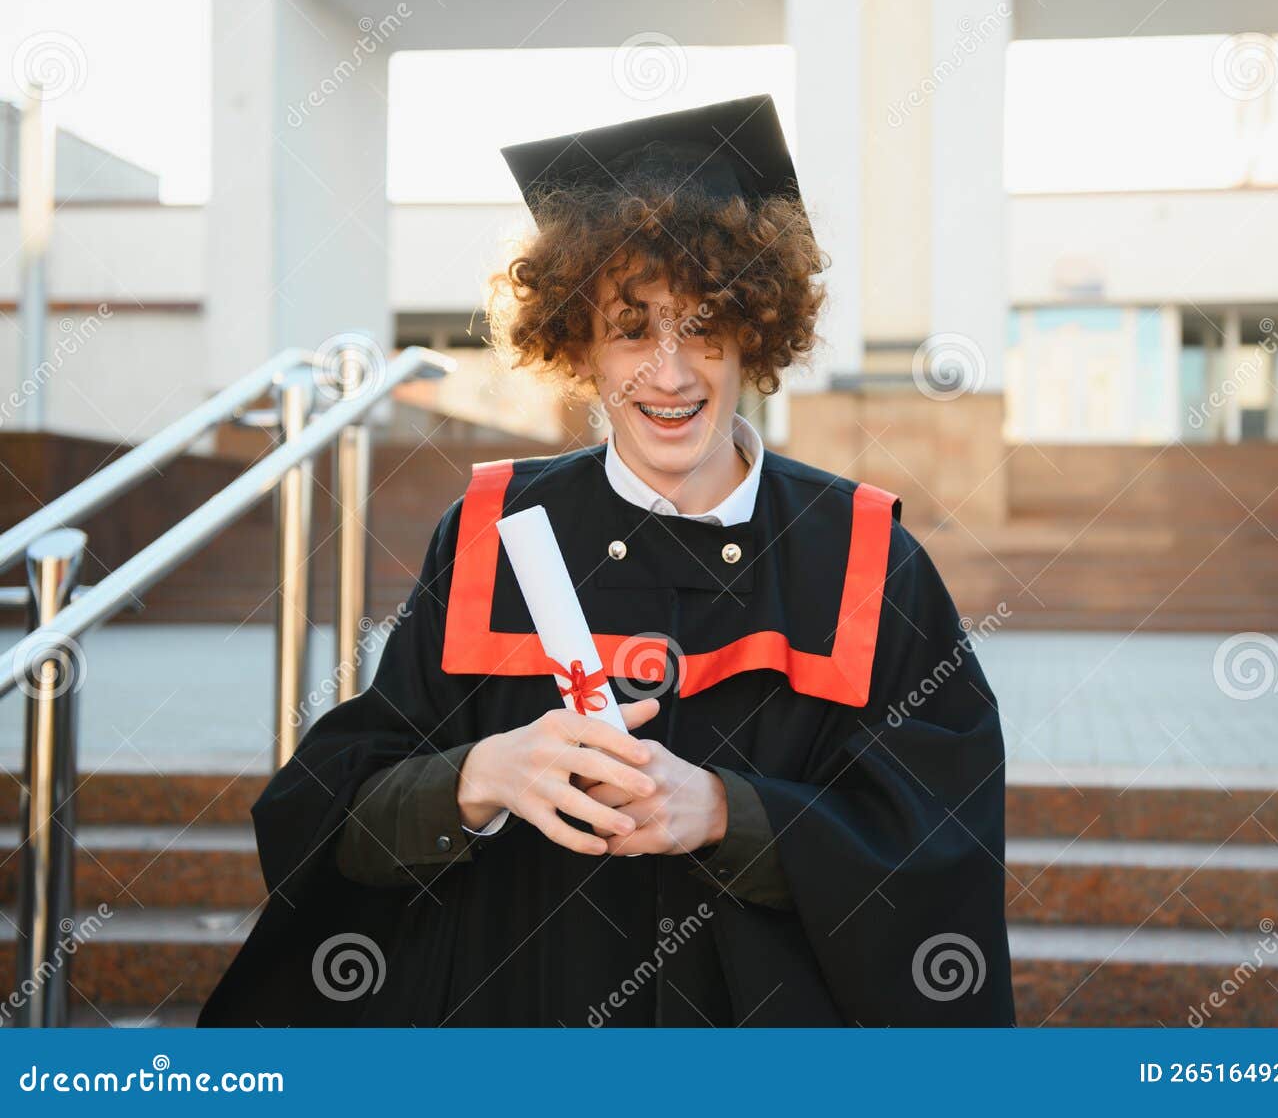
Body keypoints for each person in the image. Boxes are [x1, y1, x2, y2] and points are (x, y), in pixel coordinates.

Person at [198, 94, 1013, 1027]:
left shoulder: (862, 554)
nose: (668, 373)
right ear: (578, 344)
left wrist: (726, 811)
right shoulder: (493, 533)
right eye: (631, 326)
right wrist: (482, 776)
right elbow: (329, 808)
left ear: (756, 328)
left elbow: (941, 840)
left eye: (704, 323)